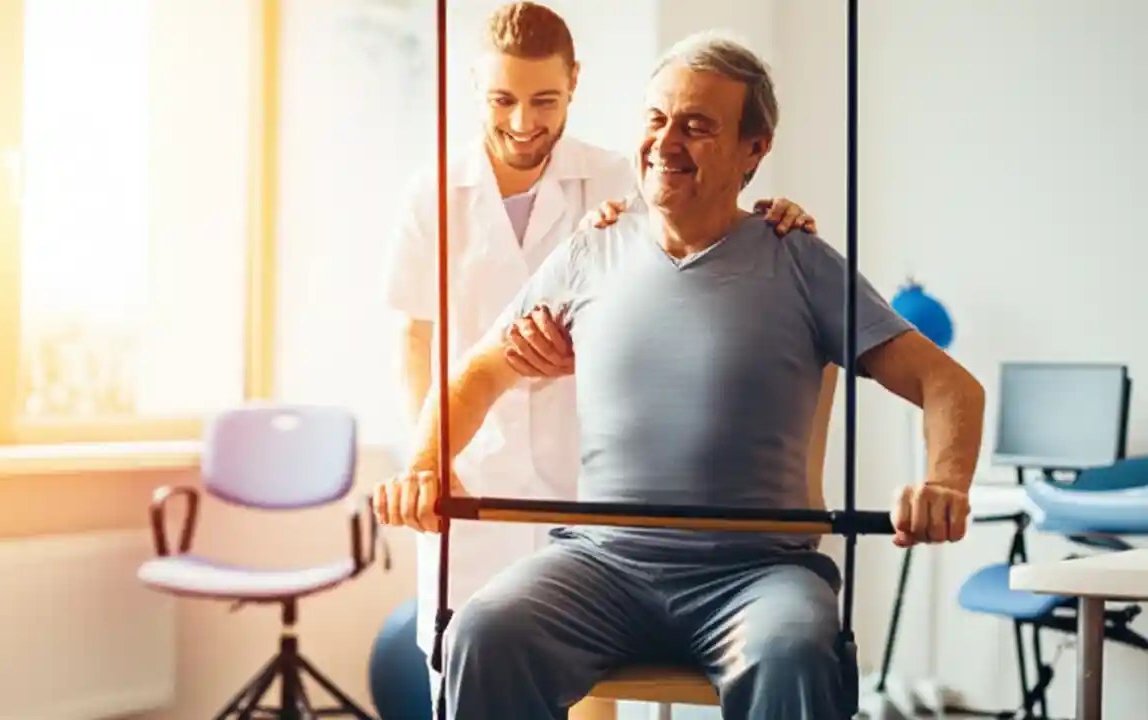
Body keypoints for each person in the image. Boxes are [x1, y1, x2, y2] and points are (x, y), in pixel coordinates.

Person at [374, 27, 986, 720]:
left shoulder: (801, 260)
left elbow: (949, 385)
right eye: (657, 120)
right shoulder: (591, 249)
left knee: (796, 650)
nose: (667, 143)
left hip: (758, 577)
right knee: (485, 632)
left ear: (755, 148)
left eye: (697, 127)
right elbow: (477, 374)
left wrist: (943, 483)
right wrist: (426, 464)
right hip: (601, 566)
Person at [382, 0, 820, 695]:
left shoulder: (622, 179)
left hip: (587, 470)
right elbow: (417, 338)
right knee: (472, 656)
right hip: (473, 465)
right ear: (473, 85)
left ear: (575, 83)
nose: (524, 122)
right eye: (502, 99)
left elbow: (686, 278)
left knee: (592, 685)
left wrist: (779, 214)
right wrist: (427, 458)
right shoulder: (430, 196)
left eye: (545, 100)